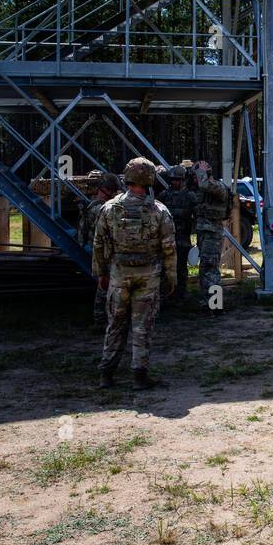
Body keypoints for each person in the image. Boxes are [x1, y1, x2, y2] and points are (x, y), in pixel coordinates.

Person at [92, 158, 176, 390]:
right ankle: (139, 376)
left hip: (119, 274)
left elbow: (98, 244)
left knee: (115, 324)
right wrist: (171, 278)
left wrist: (101, 273)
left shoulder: (108, 208)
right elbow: (169, 248)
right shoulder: (159, 211)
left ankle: (106, 375)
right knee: (142, 326)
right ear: (150, 179)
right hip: (148, 275)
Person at [79, 171, 122, 326]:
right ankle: (100, 320)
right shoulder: (102, 209)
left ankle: (103, 319)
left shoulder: (93, 205)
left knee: (106, 285)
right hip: (103, 252)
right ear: (108, 190)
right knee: (104, 286)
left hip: (100, 250)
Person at [193, 160, 231, 316]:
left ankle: (216, 305)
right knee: (205, 269)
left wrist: (201, 172)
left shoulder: (217, 187)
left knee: (211, 269)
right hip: (204, 233)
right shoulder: (205, 189)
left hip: (212, 233)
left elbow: (204, 185)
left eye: (197, 176)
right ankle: (206, 303)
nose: (195, 179)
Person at [158, 165, 197, 304]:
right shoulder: (164, 195)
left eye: (177, 179)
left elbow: (196, 215)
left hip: (182, 239)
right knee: (165, 268)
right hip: (167, 239)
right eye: (173, 179)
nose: (175, 182)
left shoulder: (190, 196)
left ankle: (180, 295)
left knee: (181, 268)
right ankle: (166, 295)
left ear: (183, 180)